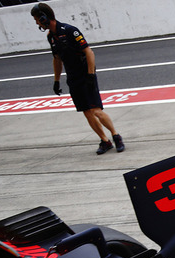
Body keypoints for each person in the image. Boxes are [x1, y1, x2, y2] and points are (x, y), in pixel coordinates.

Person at [31, 2, 124, 154]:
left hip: (86, 74)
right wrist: (56, 80)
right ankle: (105, 141)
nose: (36, 23)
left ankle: (116, 135)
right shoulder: (51, 37)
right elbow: (57, 59)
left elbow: (89, 52)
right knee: (87, 112)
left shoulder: (70, 31)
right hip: (73, 78)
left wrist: (90, 75)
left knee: (96, 111)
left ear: (44, 18)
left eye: (37, 19)